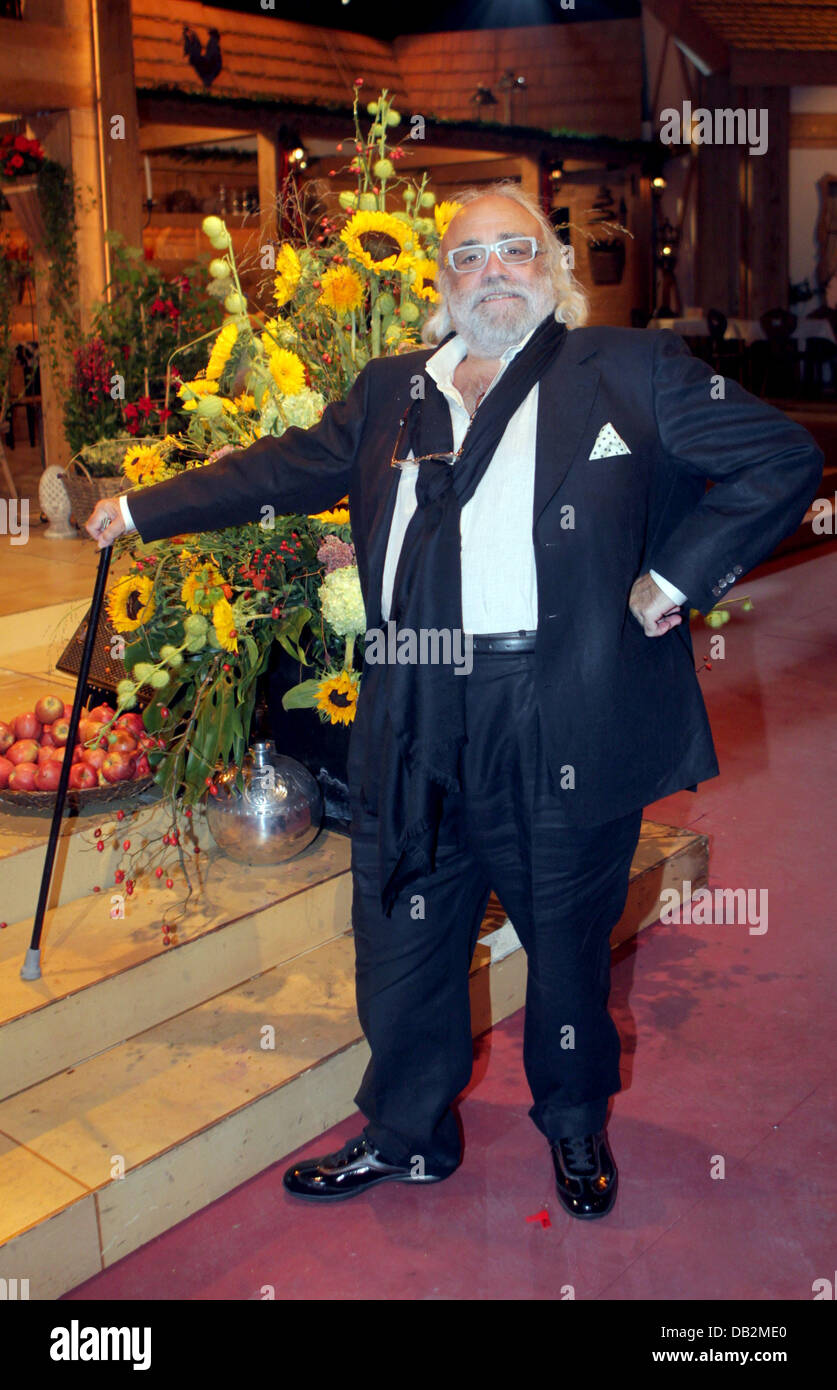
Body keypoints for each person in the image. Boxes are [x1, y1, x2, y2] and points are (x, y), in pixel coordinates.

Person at [87, 183, 823, 1219]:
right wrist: (139, 510)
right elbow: (279, 471)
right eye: (469, 258)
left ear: (553, 270)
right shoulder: (391, 388)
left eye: (515, 252)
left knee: (565, 948)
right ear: (441, 285)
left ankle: (575, 1130)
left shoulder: (626, 368)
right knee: (402, 931)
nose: (493, 275)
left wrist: (674, 578)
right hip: (412, 700)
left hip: (556, 702)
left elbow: (781, 458)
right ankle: (406, 1133)